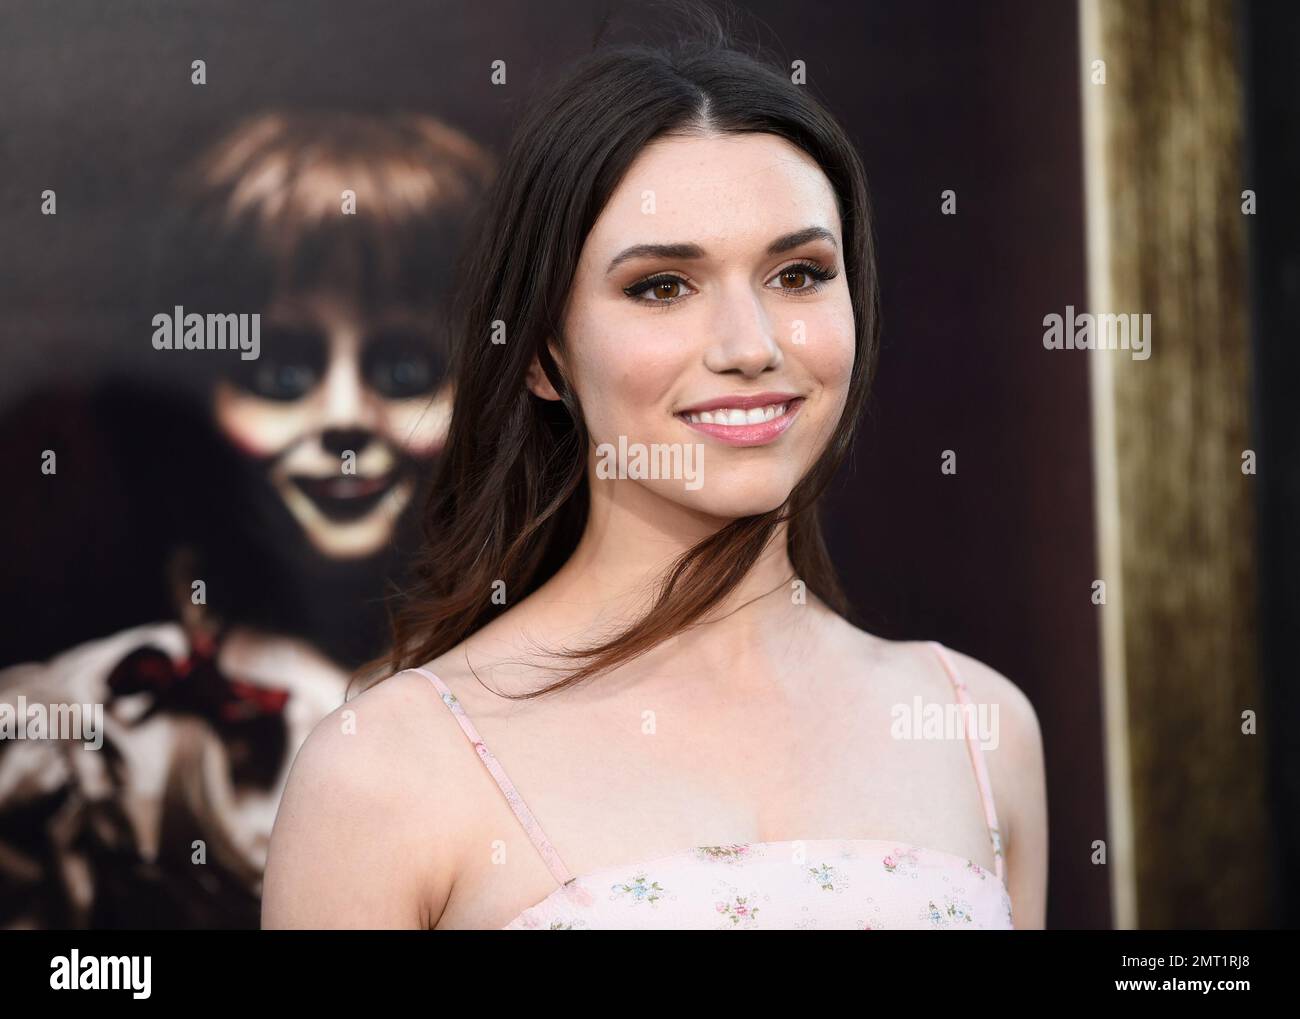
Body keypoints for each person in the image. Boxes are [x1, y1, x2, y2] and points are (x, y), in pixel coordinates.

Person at [262, 18, 1048, 930]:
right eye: (662, 286)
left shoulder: (978, 726)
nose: (750, 347)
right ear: (543, 354)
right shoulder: (388, 769)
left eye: (798, 274)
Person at [0, 110, 494, 928]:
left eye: (407, 367)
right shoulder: (81, 735)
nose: (345, 415)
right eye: (280, 371)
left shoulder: (557, 695)